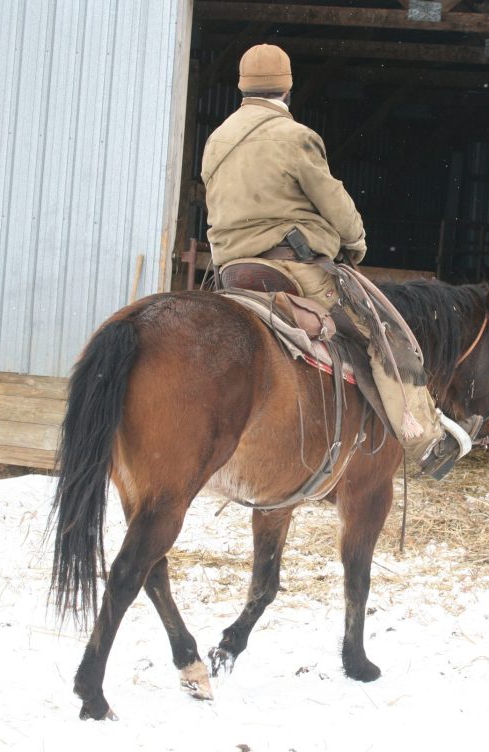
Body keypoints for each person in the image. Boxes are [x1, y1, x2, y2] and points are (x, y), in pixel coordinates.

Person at [201, 43, 475, 480]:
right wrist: (356, 240)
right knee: (384, 337)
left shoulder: (217, 140)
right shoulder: (296, 137)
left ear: (241, 87)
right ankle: (426, 441)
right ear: (288, 89)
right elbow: (334, 202)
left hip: (231, 271)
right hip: (292, 269)